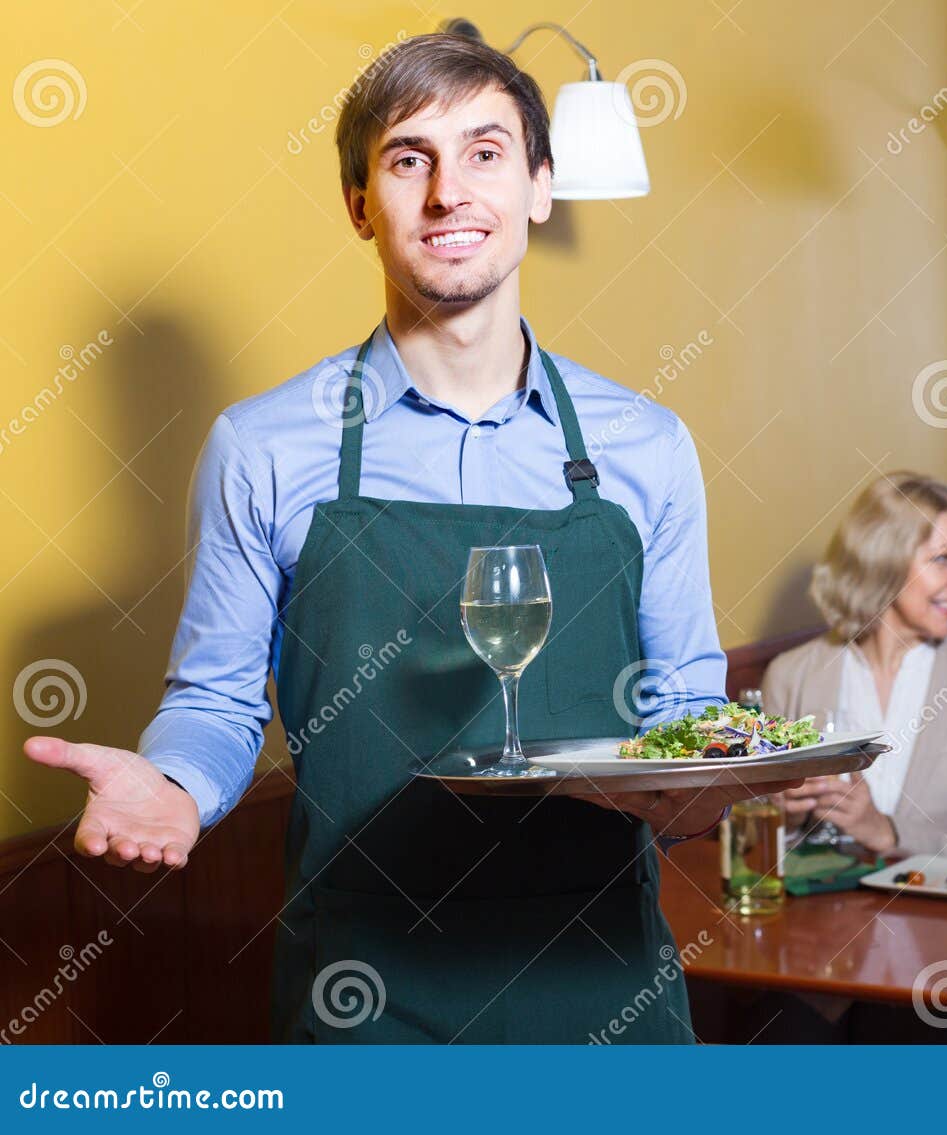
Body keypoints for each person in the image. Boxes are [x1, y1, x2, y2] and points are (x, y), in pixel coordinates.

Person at [21, 32, 790, 1043]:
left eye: (485, 152)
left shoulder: (644, 446)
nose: (448, 195)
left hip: (603, 985)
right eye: (407, 159)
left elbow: (682, 699)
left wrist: (720, 780)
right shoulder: (263, 448)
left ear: (540, 188)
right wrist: (172, 785)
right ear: (359, 206)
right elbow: (214, 700)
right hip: (367, 993)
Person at [764, 472, 947, 859]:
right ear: (882, 560)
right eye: (943, 559)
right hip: (815, 915)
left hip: (940, 917)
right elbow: (754, 843)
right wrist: (782, 816)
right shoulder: (790, 677)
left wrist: (886, 831)